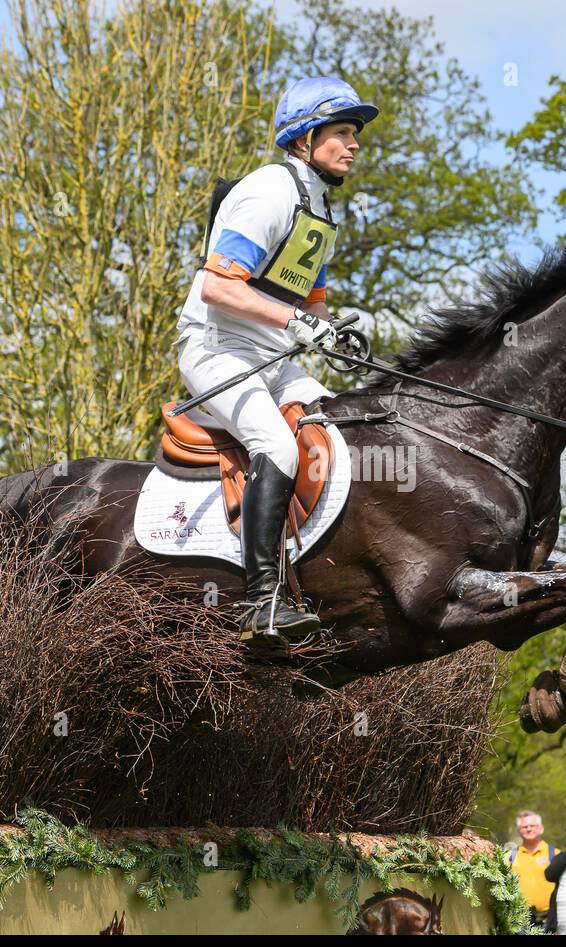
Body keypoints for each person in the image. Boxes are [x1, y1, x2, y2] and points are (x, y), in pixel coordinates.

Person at [175, 76, 379, 645]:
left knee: (338, 431)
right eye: (342, 132)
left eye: (354, 134)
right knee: (279, 446)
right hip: (217, 349)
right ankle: (259, 604)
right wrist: (298, 324)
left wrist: (330, 328)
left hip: (273, 357)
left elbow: (307, 301)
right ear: (305, 137)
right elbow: (218, 288)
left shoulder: (318, 206)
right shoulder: (270, 192)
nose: (354, 144)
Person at [505, 810, 558, 932]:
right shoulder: (510, 857)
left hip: (549, 923)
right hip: (519, 924)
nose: (528, 829)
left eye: (532, 826)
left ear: (541, 828)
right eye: (524, 826)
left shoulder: (555, 855)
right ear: (519, 831)